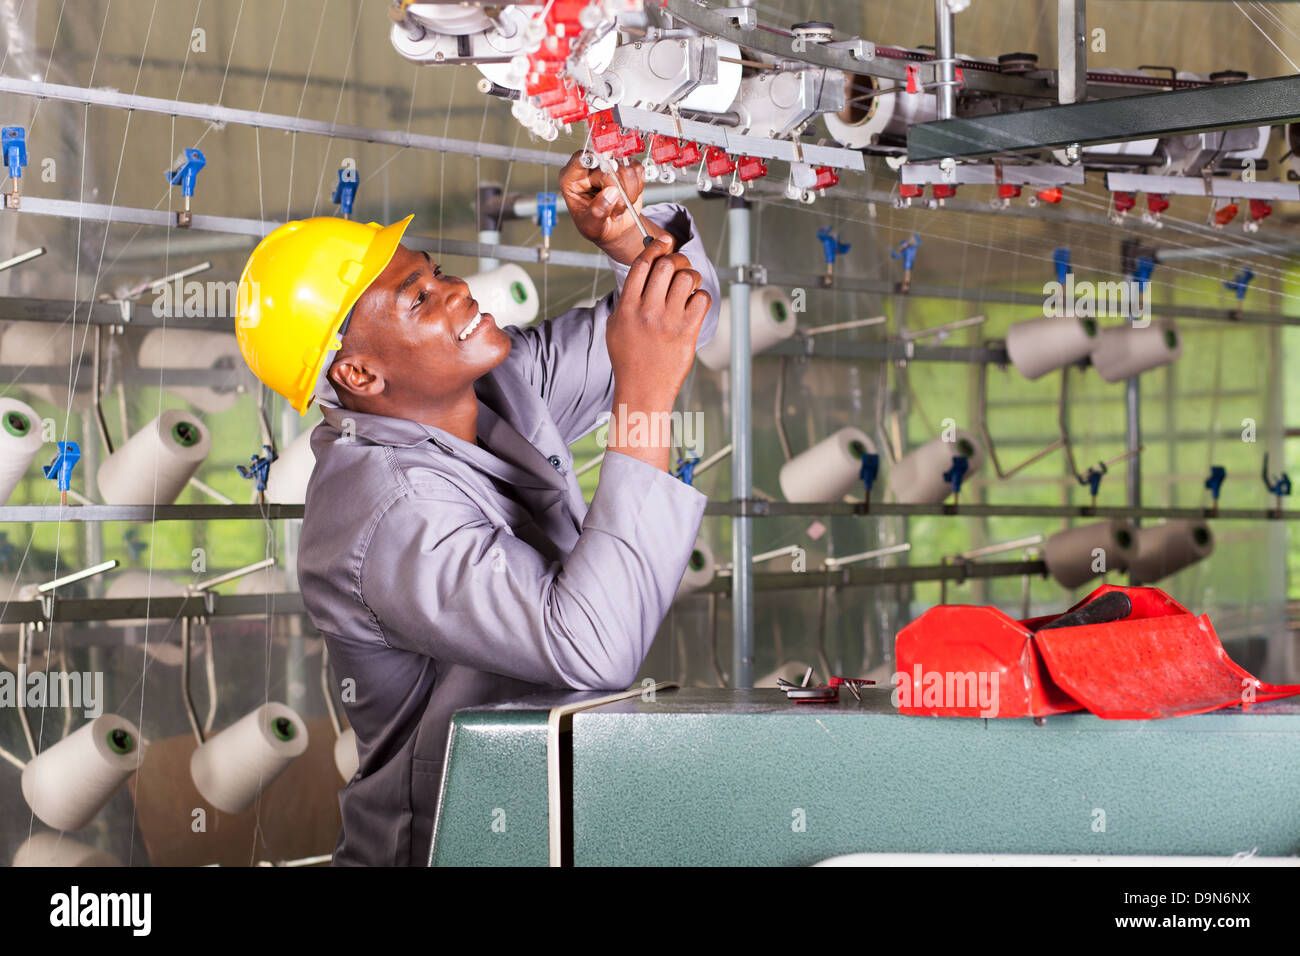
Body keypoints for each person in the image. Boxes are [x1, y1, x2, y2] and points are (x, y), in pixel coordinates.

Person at [234, 150, 720, 866]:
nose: (454, 289)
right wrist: (643, 404)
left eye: (432, 271)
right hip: (447, 845)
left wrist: (628, 240)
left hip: (544, 813)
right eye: (419, 299)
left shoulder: (500, 383)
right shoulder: (386, 517)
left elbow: (683, 322)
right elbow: (593, 647)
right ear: (360, 373)